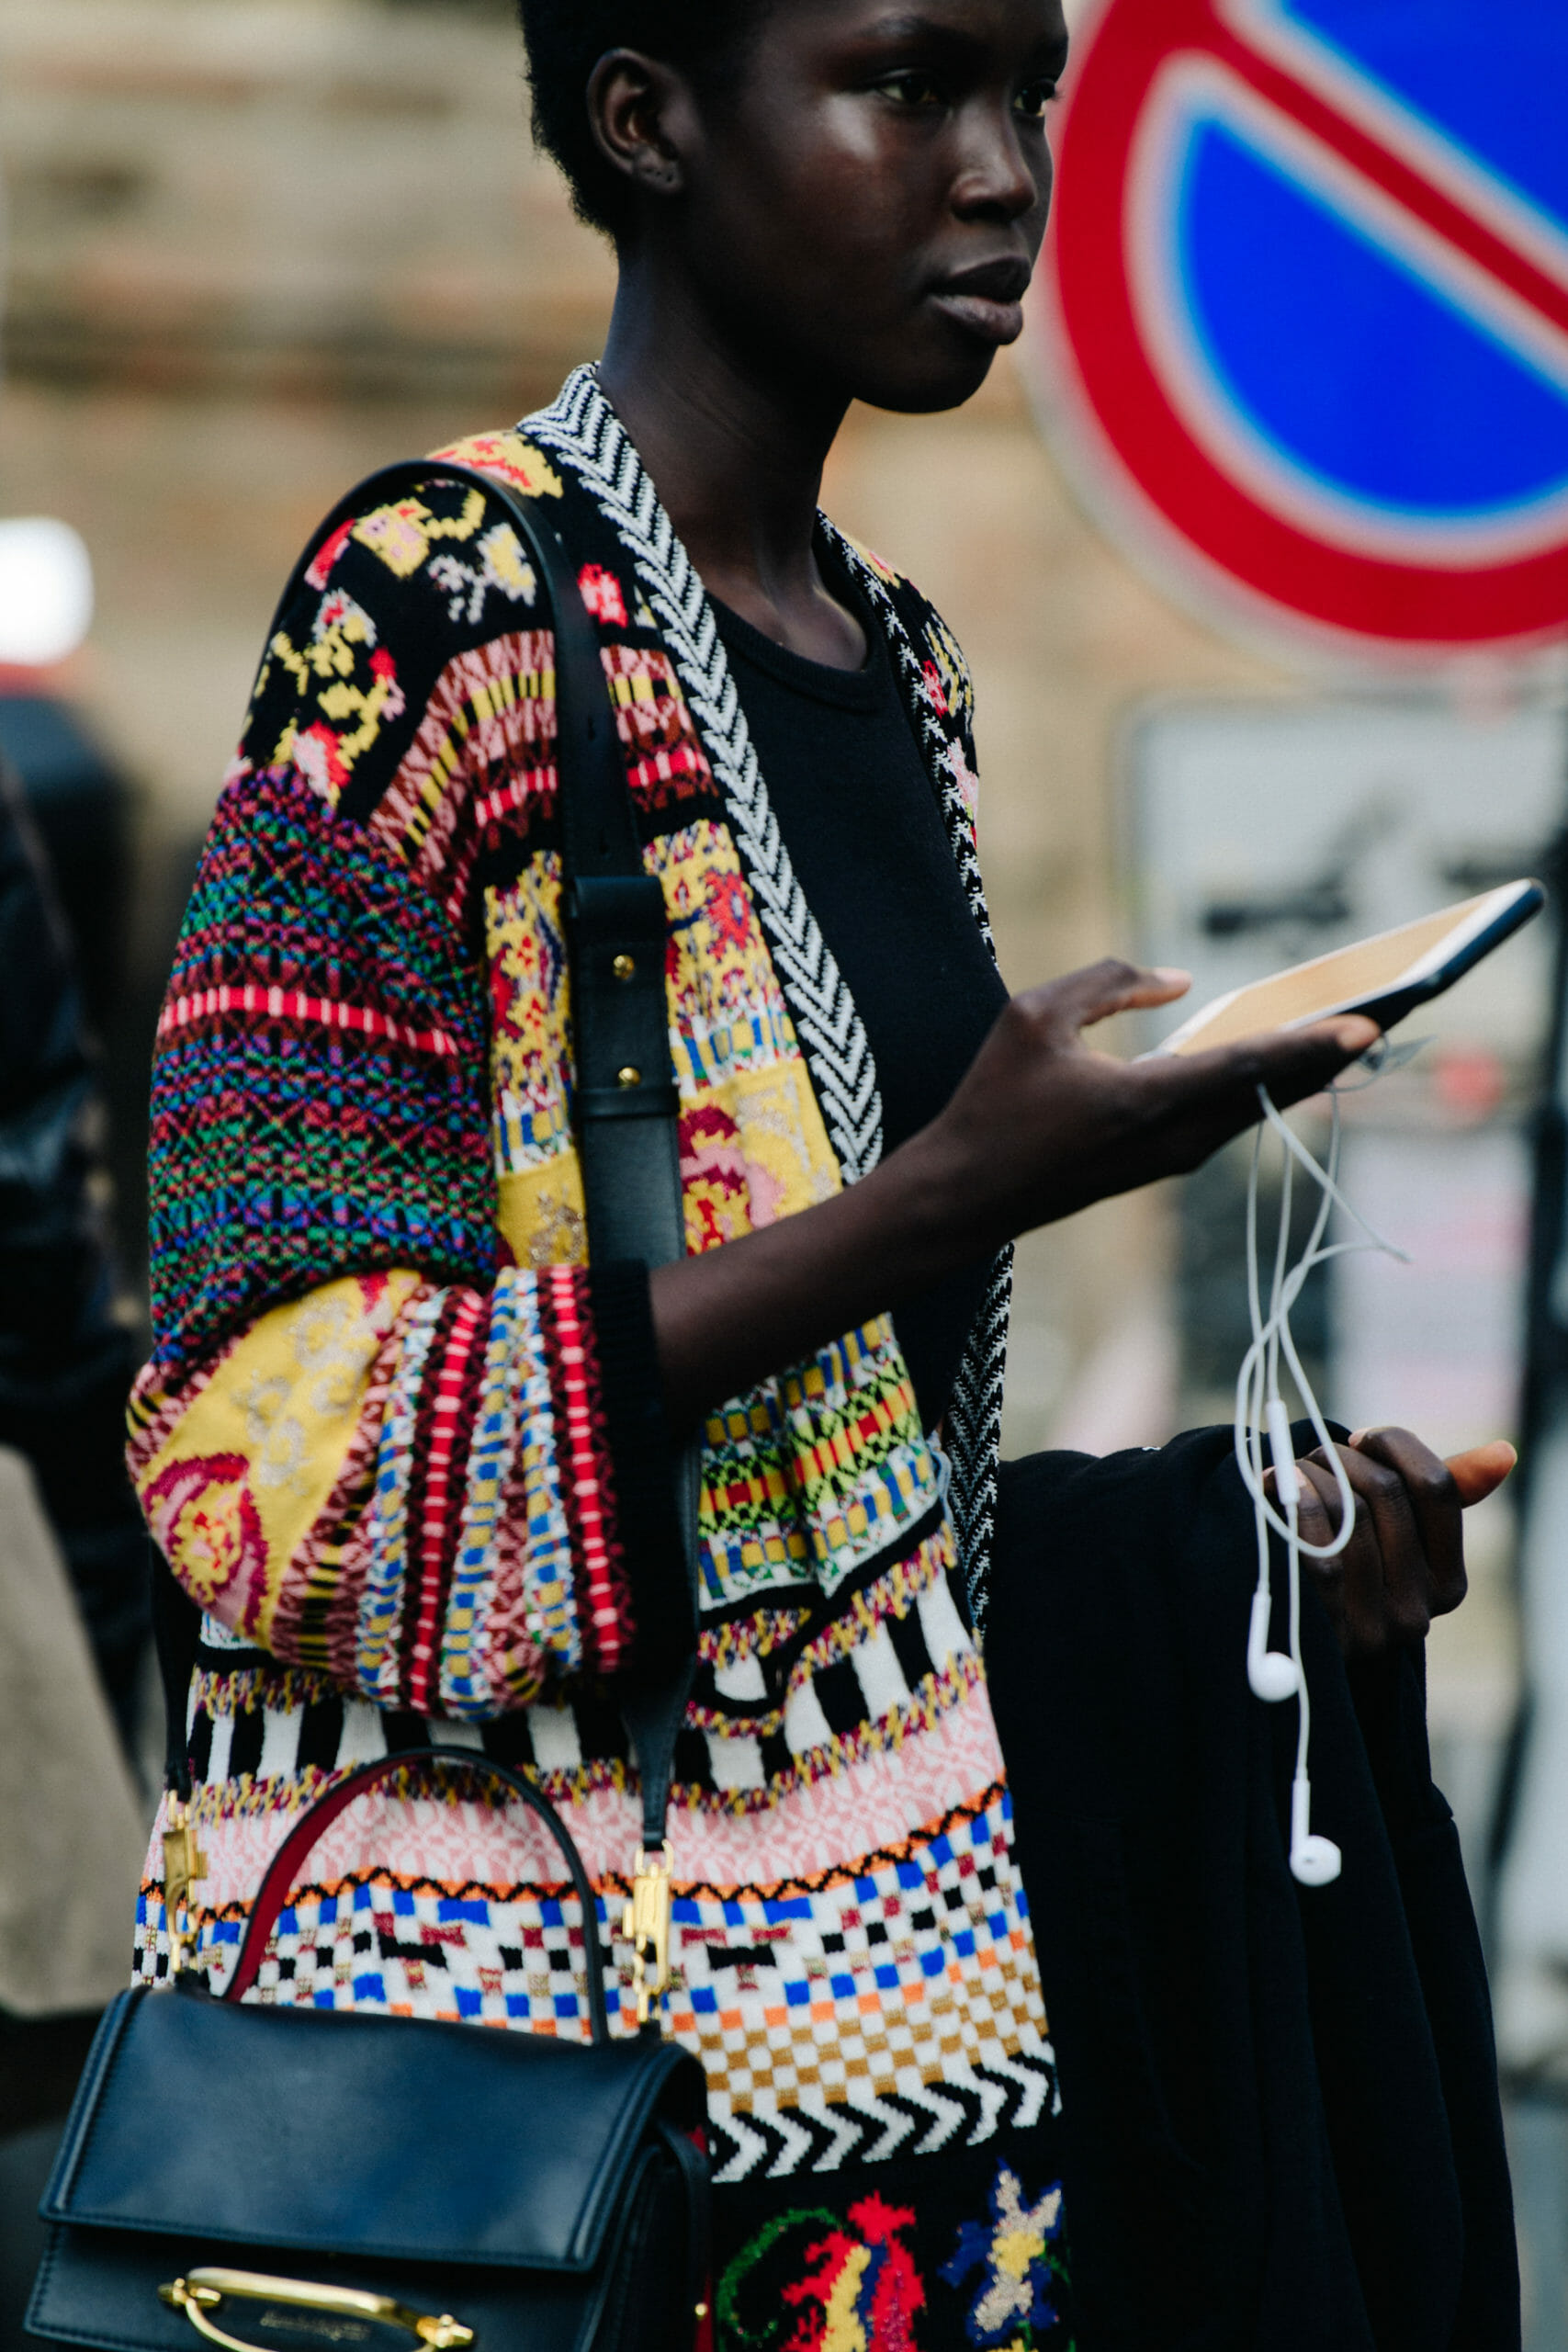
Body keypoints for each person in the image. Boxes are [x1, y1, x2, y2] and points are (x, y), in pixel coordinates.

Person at [126, 3, 1513, 2344]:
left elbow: (860, 1492)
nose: (1000, 173)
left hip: (907, 2084)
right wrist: (948, 1188)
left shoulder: (901, 660)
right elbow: (266, 1449)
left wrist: (1235, 1556)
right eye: (906, 85)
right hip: (504, 2091)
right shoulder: (432, 602)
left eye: (1032, 96)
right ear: (644, 117)